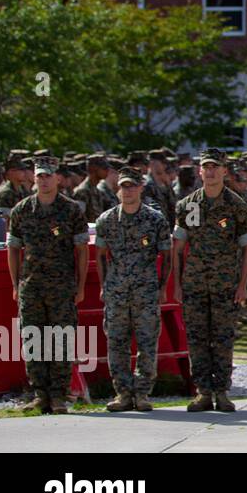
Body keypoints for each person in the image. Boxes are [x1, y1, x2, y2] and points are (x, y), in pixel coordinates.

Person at [172, 149, 247, 413]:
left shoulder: (237, 205)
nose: (209, 172)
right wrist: (176, 284)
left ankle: (222, 391)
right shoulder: (187, 205)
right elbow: (177, 248)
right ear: (199, 171)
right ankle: (203, 392)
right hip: (195, 284)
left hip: (225, 284)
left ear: (223, 171)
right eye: (205, 167)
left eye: (215, 167)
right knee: (197, 339)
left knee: (222, 338)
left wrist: (243, 284)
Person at [5, 156, 89, 414]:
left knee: (61, 340)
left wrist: (81, 285)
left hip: (62, 287)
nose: (43, 180)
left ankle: (59, 396)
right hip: (31, 286)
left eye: (48, 176)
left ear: (57, 179)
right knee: (33, 339)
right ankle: (40, 394)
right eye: (39, 176)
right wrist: (16, 284)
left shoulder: (71, 210)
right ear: (35, 178)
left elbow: (82, 250)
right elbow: (13, 249)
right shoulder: (22, 210)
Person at [95, 167, 173, 412]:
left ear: (141, 188)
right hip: (116, 291)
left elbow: (167, 255)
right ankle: (123, 393)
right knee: (116, 343)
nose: (127, 191)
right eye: (123, 186)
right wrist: (103, 284)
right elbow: (99, 256)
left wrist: (162, 287)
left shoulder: (155, 219)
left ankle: (142, 393)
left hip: (146, 292)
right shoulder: (106, 220)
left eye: (132, 186)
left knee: (147, 342)